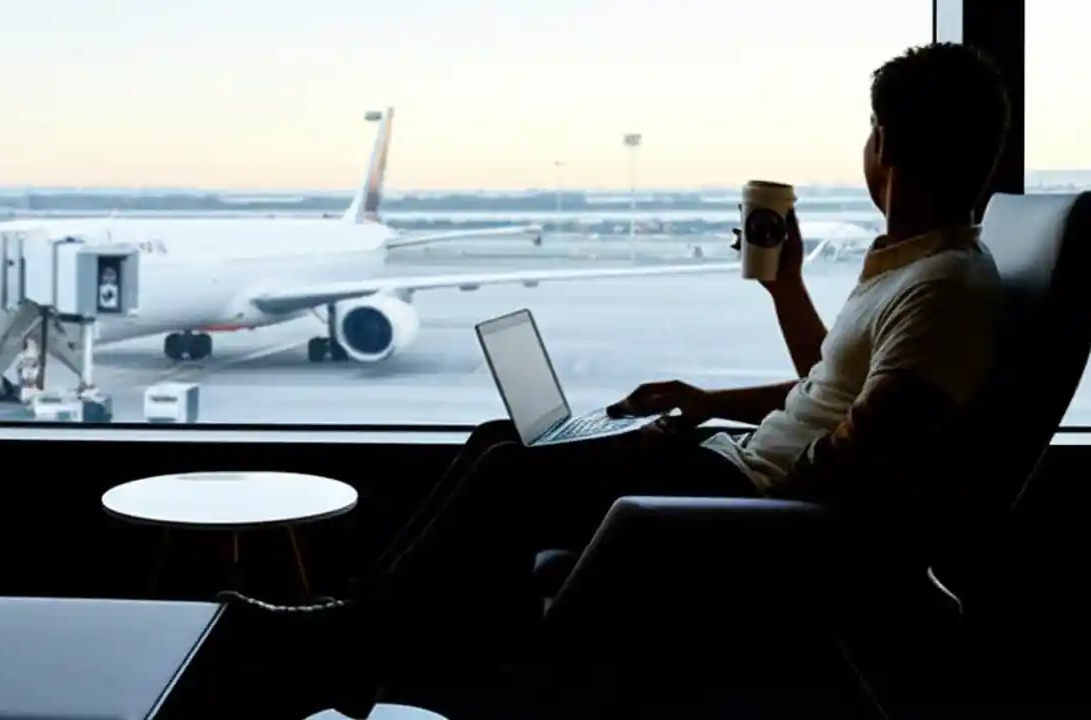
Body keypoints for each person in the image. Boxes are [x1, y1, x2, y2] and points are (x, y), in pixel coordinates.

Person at [224, 41, 1011, 718]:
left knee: (508, 472)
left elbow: (863, 456)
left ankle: (349, 646)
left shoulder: (943, 290)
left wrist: (712, 458)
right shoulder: (916, 269)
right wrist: (731, 371)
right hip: (744, 466)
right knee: (504, 439)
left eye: (872, 133)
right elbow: (827, 390)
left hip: (760, 502)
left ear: (891, 155)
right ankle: (386, 639)